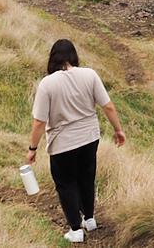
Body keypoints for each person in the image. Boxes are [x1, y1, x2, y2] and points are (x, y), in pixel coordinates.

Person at [26, 39, 127, 243]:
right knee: (86, 177)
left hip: (62, 143)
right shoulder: (89, 74)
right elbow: (108, 106)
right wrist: (118, 130)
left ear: (53, 59)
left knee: (66, 183)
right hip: (90, 138)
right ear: (74, 56)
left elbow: (39, 122)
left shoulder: (47, 84)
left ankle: (75, 229)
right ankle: (89, 219)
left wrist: (32, 149)